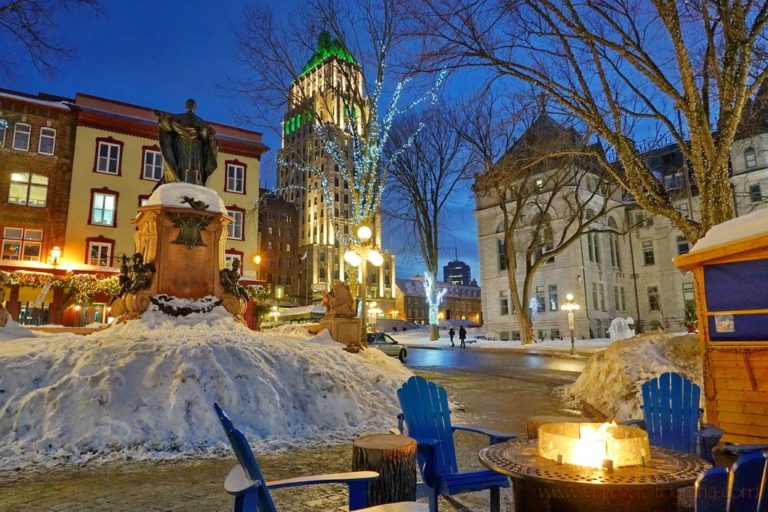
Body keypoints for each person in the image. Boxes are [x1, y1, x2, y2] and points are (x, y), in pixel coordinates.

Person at [156, 99, 218, 186]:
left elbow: (209, 138)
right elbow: (168, 126)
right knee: (181, 163)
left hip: (197, 149)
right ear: (186, 106)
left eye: (192, 104)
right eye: (189, 104)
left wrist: (206, 136)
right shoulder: (178, 118)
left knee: (196, 167)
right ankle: (178, 178)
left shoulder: (202, 123)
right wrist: (162, 118)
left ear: (195, 107)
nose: (191, 105)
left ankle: (196, 181)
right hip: (181, 145)